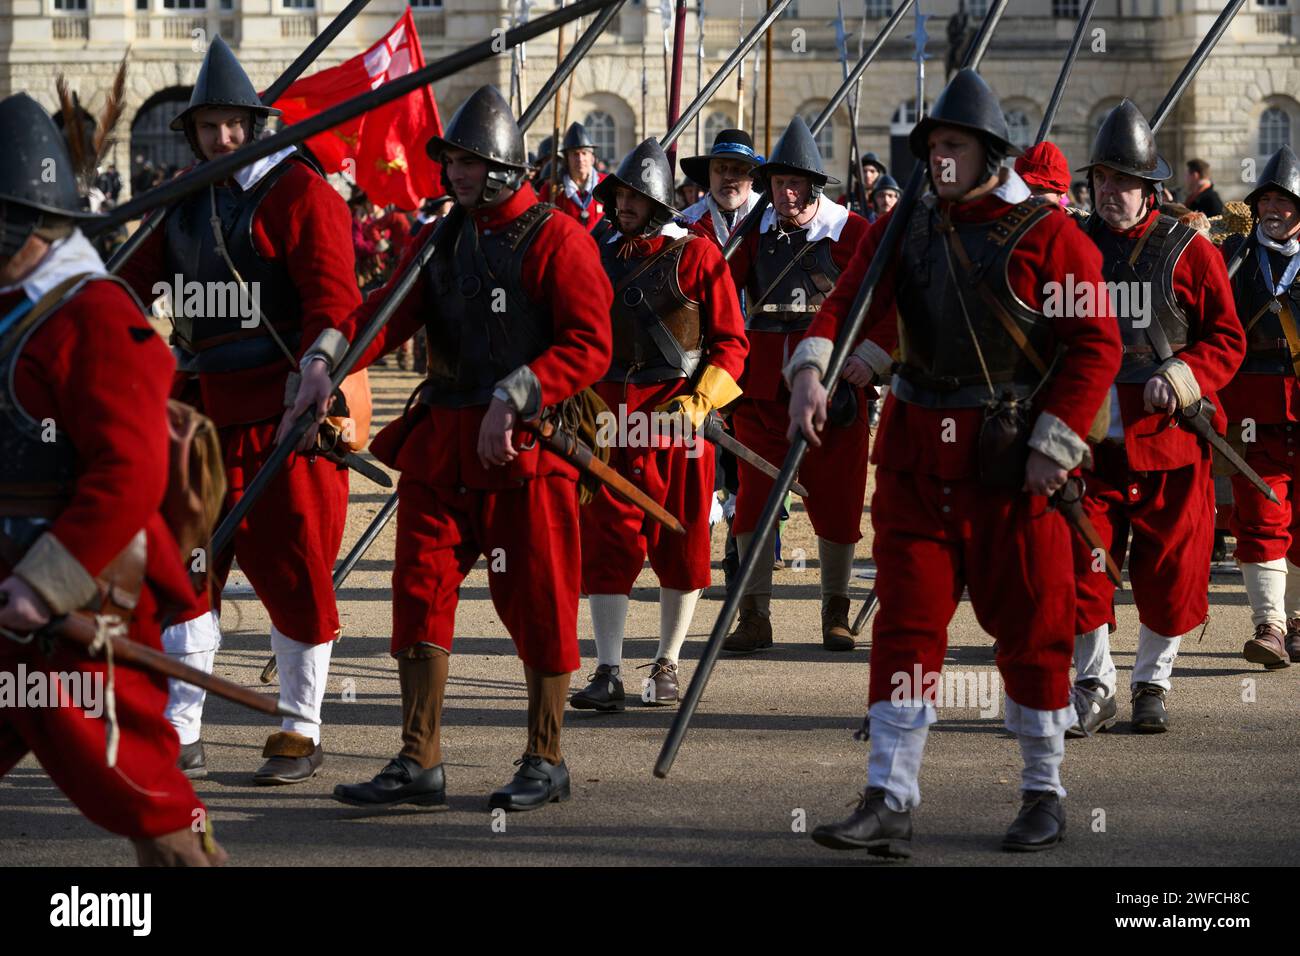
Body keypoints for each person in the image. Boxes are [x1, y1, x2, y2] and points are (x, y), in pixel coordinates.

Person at [789, 69, 1121, 855]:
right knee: (903, 630)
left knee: (1034, 628)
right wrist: (811, 367)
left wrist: (1055, 443)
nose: (938, 158)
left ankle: (1044, 792)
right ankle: (889, 795)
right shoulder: (904, 227)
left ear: (987, 153)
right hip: (913, 460)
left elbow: (1097, 346)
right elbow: (848, 302)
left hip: (1009, 465)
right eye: (931, 146)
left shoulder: (1050, 235)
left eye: (952, 145)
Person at [313, 86, 613, 812]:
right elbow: (384, 312)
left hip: (525, 446)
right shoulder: (442, 237)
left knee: (538, 597)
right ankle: (419, 759)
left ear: (506, 167)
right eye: (452, 161)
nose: (457, 174)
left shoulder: (559, 238)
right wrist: (324, 359)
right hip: (443, 440)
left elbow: (591, 343)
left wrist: (518, 392)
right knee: (418, 590)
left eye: (471, 163)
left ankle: (546, 757)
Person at [116, 36, 359, 784]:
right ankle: (180, 724)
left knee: (293, 567)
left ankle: (299, 724)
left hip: (282, 409)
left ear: (252, 125)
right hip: (196, 410)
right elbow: (129, 286)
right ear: (191, 131)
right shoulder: (181, 200)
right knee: (188, 565)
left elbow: (336, 302)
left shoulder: (300, 192)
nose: (219, 138)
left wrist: (318, 369)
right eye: (206, 126)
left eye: (230, 125)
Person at [0, 92, 225, 865]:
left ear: (29, 219)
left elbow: (130, 470)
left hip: (80, 603)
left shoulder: (93, 316)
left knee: (145, 798)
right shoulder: (11, 309)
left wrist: (45, 583)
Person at [1067, 101, 1244, 736]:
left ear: (1151, 187)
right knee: (1082, 563)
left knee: (1172, 568)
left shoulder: (1190, 249)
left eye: (1124, 180)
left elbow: (1226, 337)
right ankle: (1093, 683)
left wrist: (1183, 374)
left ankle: (1152, 682)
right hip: (1088, 442)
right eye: (1103, 180)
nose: (1111, 192)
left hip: (1169, 440)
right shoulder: (1069, 248)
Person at [569, 138, 747, 711]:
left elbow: (731, 345)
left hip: (675, 420)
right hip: (607, 421)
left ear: (658, 204)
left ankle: (668, 663)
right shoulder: (596, 254)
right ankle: (607, 669)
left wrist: (700, 404)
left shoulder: (697, 256)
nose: (623, 205)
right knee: (605, 541)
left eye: (635, 198)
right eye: (619, 195)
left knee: (684, 538)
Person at [723, 115, 871, 655]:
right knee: (754, 504)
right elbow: (719, 297)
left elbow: (882, 304)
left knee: (838, 503)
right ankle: (754, 616)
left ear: (812, 185)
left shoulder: (850, 232)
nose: (783, 194)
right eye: (776, 184)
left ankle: (836, 610)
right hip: (759, 392)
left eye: (793, 184)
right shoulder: (751, 237)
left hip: (835, 392)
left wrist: (870, 360)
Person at [1217, 145, 1300, 669]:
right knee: (1261, 513)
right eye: (1266, 199)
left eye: (1285, 201)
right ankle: (1269, 624)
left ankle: (1298, 622)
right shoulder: (1236, 256)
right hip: (1250, 401)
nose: (1273, 209)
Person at [678, 128, 763, 248]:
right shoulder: (683, 223)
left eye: (738, 170)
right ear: (709, 174)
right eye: (721, 168)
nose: (728, 177)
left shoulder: (771, 219)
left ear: (752, 177)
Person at [538, 121, 605, 233]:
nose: (580, 159)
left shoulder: (607, 185)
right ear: (567, 159)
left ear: (592, 158)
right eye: (575, 154)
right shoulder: (550, 190)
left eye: (584, 153)